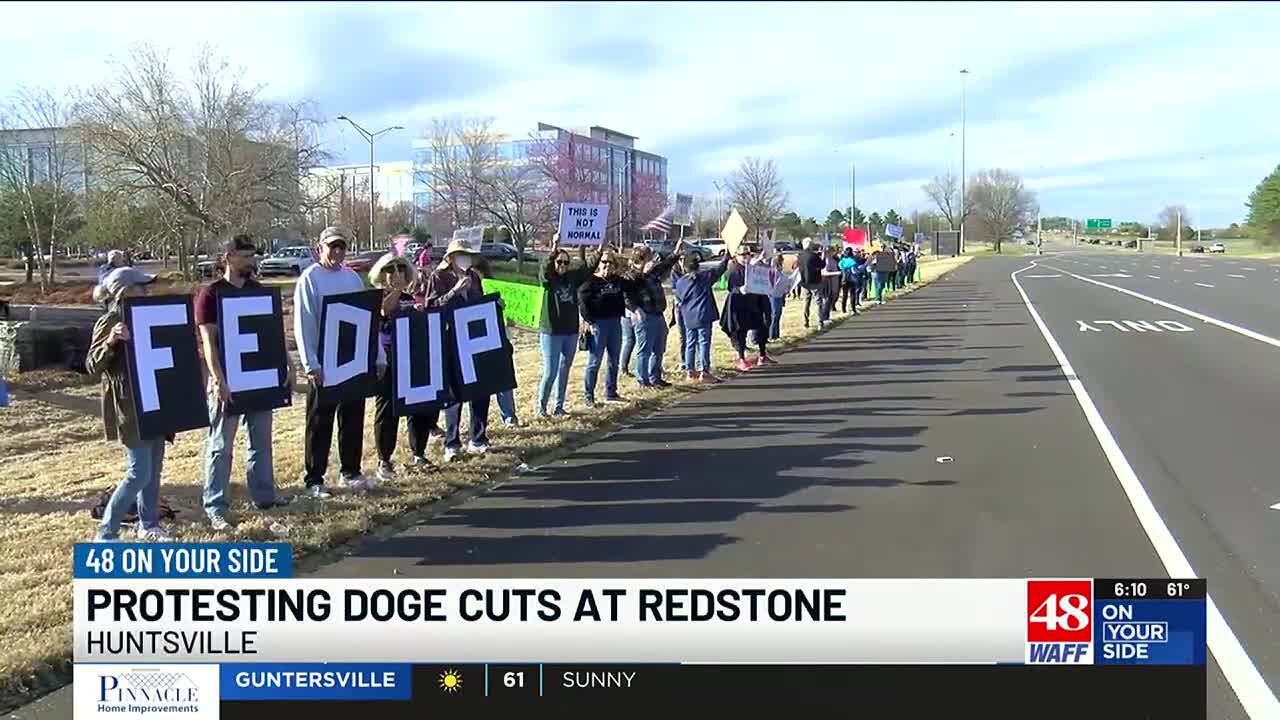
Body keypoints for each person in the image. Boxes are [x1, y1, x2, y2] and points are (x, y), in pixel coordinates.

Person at [196, 234, 293, 531]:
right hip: (227, 380)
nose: (252, 261)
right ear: (228, 257)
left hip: (259, 377)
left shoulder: (257, 290)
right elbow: (208, 343)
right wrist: (218, 379)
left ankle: (264, 495)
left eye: (253, 255)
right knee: (220, 446)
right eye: (245, 255)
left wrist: (287, 365)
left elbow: (272, 333)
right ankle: (215, 506)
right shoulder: (211, 294)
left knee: (260, 442)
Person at [294, 225, 385, 498]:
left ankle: (351, 472)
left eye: (341, 246)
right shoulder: (310, 279)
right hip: (324, 363)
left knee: (352, 418)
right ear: (319, 247)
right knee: (320, 422)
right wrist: (311, 364)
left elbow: (369, 321)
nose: (337, 251)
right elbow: (304, 323)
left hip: (353, 360)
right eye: (332, 246)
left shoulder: (352, 278)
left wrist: (378, 356)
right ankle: (314, 479)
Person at [86, 265, 172, 541]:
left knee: (154, 470)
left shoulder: (150, 316)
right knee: (138, 473)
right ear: (124, 291)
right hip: (130, 407)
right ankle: (107, 531)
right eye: (141, 286)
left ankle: (148, 525)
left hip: (156, 401)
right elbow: (91, 366)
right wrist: (111, 342)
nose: (148, 290)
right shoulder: (109, 321)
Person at [368, 252, 435, 482]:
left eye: (400, 269)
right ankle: (384, 460)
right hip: (387, 359)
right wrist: (395, 289)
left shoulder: (410, 297)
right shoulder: (377, 297)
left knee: (419, 406)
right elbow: (384, 311)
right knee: (387, 411)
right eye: (390, 269)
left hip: (412, 357)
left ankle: (419, 453)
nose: (396, 273)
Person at [423, 238, 492, 461]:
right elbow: (431, 307)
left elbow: (478, 304)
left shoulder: (473, 277)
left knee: (480, 389)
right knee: (453, 394)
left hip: (474, 339)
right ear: (450, 258)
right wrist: (454, 291)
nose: (465, 259)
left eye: (468, 255)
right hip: (449, 339)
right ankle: (452, 443)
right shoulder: (438, 276)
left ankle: (478, 438)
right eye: (461, 255)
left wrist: (492, 305)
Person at [536, 235, 598, 417]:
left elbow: (587, 268)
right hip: (551, 331)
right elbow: (544, 269)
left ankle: (559, 406)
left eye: (565, 262)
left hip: (570, 331)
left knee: (564, 370)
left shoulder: (572, 278)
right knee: (550, 371)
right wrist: (554, 245)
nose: (562, 265)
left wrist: (599, 249)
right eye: (559, 262)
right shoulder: (548, 279)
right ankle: (541, 407)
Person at [577, 248, 632, 406]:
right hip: (598, 325)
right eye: (604, 262)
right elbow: (582, 301)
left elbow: (634, 284)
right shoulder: (590, 281)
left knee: (613, 360)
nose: (607, 265)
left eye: (610, 262)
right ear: (598, 264)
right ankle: (589, 396)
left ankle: (611, 392)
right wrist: (589, 321)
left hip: (615, 322)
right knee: (595, 361)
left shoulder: (617, 280)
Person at [626, 242, 682, 388]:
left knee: (659, 349)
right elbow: (627, 295)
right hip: (645, 316)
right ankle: (642, 380)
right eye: (649, 257)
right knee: (644, 350)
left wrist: (676, 253)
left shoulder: (652, 272)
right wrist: (643, 273)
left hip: (658, 314)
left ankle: (655, 377)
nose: (652, 260)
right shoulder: (631, 276)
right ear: (641, 259)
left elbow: (665, 265)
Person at [673, 251, 731, 383]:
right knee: (704, 342)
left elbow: (679, 297)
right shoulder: (705, 277)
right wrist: (726, 258)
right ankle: (704, 371)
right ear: (698, 266)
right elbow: (719, 270)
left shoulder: (681, 282)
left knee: (690, 343)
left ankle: (690, 371)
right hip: (703, 314)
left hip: (688, 316)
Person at [767, 253, 799, 341]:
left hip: (779, 295)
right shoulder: (774, 270)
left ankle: (776, 335)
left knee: (778, 315)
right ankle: (771, 335)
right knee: (774, 315)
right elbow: (777, 280)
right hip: (773, 295)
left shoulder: (780, 270)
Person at [797, 238, 825, 328]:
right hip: (815, 281)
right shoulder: (814, 256)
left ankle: (806, 321)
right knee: (818, 302)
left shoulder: (800, 256)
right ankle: (820, 322)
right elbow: (822, 265)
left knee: (806, 302)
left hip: (804, 282)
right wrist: (823, 257)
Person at [837, 246, 860, 315]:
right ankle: (853, 309)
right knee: (852, 294)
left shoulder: (842, 261)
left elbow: (840, 267)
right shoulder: (852, 261)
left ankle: (843, 309)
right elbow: (854, 271)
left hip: (844, 278)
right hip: (852, 279)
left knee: (845, 294)